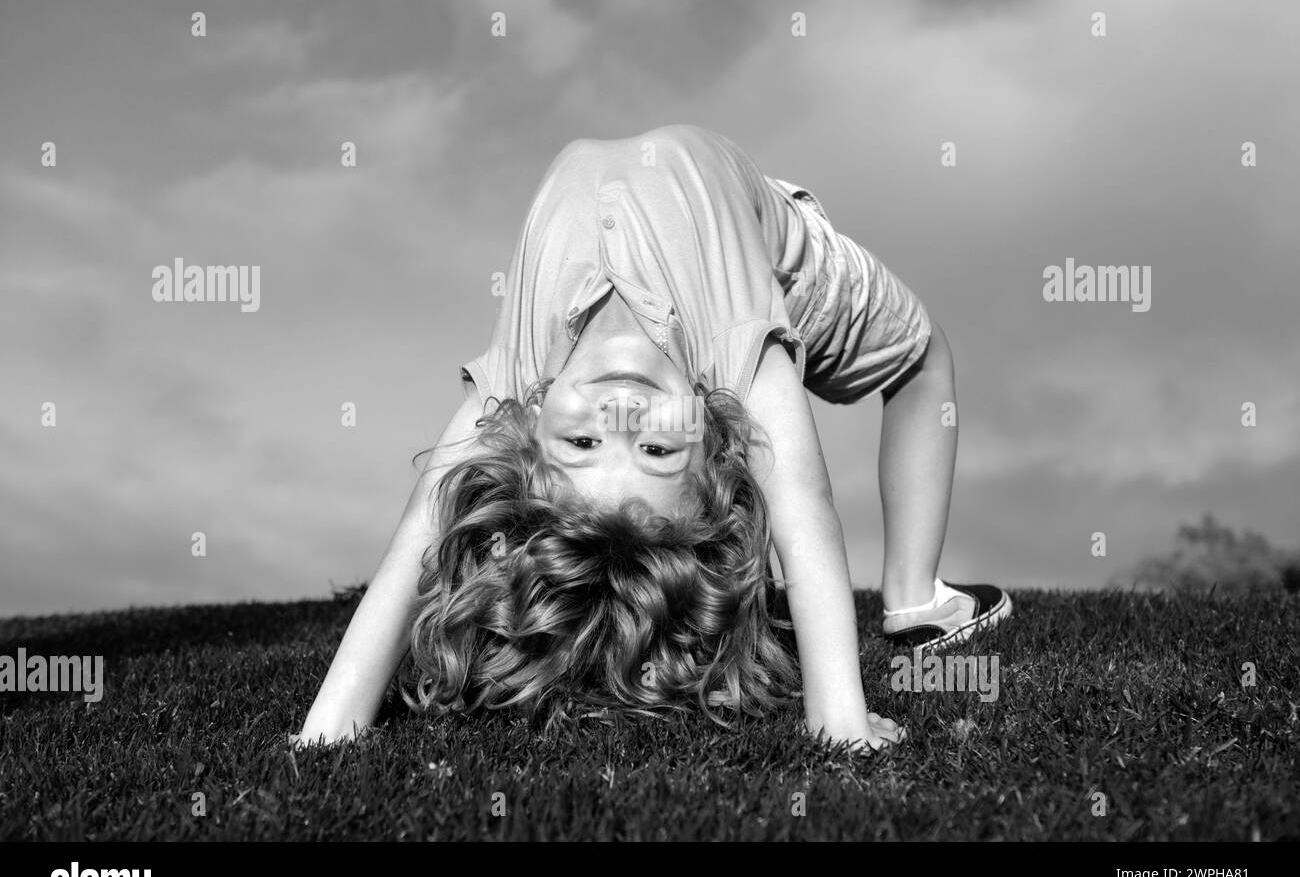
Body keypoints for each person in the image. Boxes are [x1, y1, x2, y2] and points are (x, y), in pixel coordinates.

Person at [297, 124, 1010, 752]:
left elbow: (413, 544)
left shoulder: (518, 373)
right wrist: (839, 719)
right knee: (925, 360)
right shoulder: (736, 354)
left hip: (747, 209)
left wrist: (327, 726)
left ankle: (912, 589)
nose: (621, 417)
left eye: (580, 445)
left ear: (531, 426)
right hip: (785, 259)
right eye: (658, 450)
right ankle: (916, 600)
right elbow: (804, 507)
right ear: (714, 439)